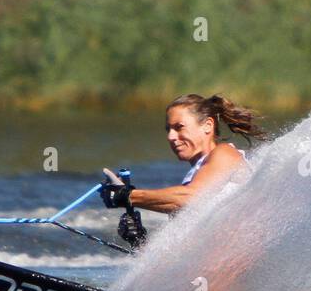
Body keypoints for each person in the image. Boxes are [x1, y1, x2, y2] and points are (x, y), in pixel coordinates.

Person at [101, 94, 266, 248]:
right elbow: (186, 251)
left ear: (207, 125)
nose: (171, 137)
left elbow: (192, 199)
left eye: (179, 127)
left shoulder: (225, 154)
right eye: (168, 130)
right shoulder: (195, 176)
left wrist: (128, 195)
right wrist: (140, 242)